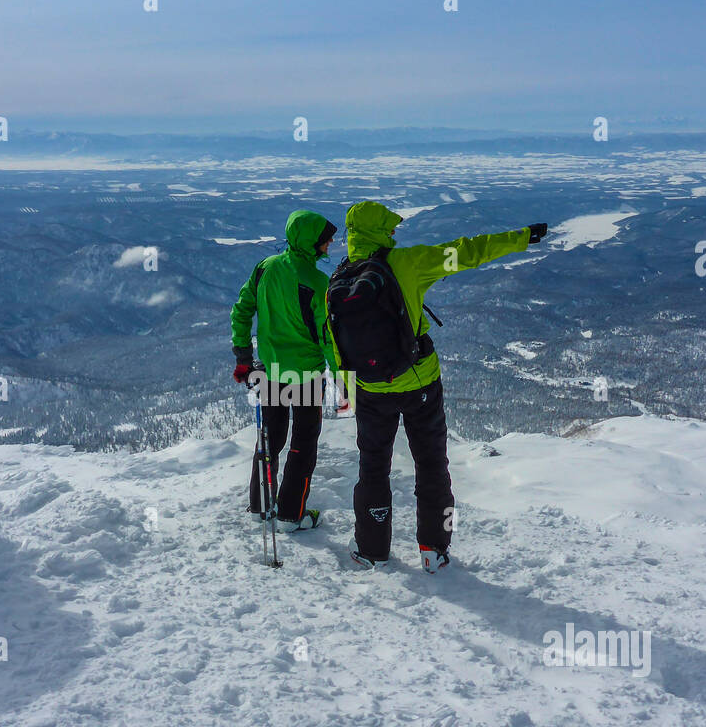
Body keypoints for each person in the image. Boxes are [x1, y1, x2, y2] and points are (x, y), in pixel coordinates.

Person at [332, 200, 547, 572]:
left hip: (370, 390)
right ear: (380, 231)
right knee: (431, 465)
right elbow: (467, 253)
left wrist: (350, 387)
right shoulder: (409, 263)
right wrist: (521, 238)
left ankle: (371, 548)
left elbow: (336, 342)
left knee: (372, 468)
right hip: (420, 383)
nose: (395, 232)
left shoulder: (338, 279)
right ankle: (434, 548)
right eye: (389, 227)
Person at [230, 209, 342, 531]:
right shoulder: (319, 283)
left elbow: (242, 309)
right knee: (303, 443)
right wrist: (342, 379)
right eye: (326, 238)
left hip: (270, 370)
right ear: (312, 242)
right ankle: (292, 514)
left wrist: (242, 354)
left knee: (270, 438)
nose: (330, 243)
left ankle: (260, 505)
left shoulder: (266, 268)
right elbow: (326, 339)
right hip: (306, 376)